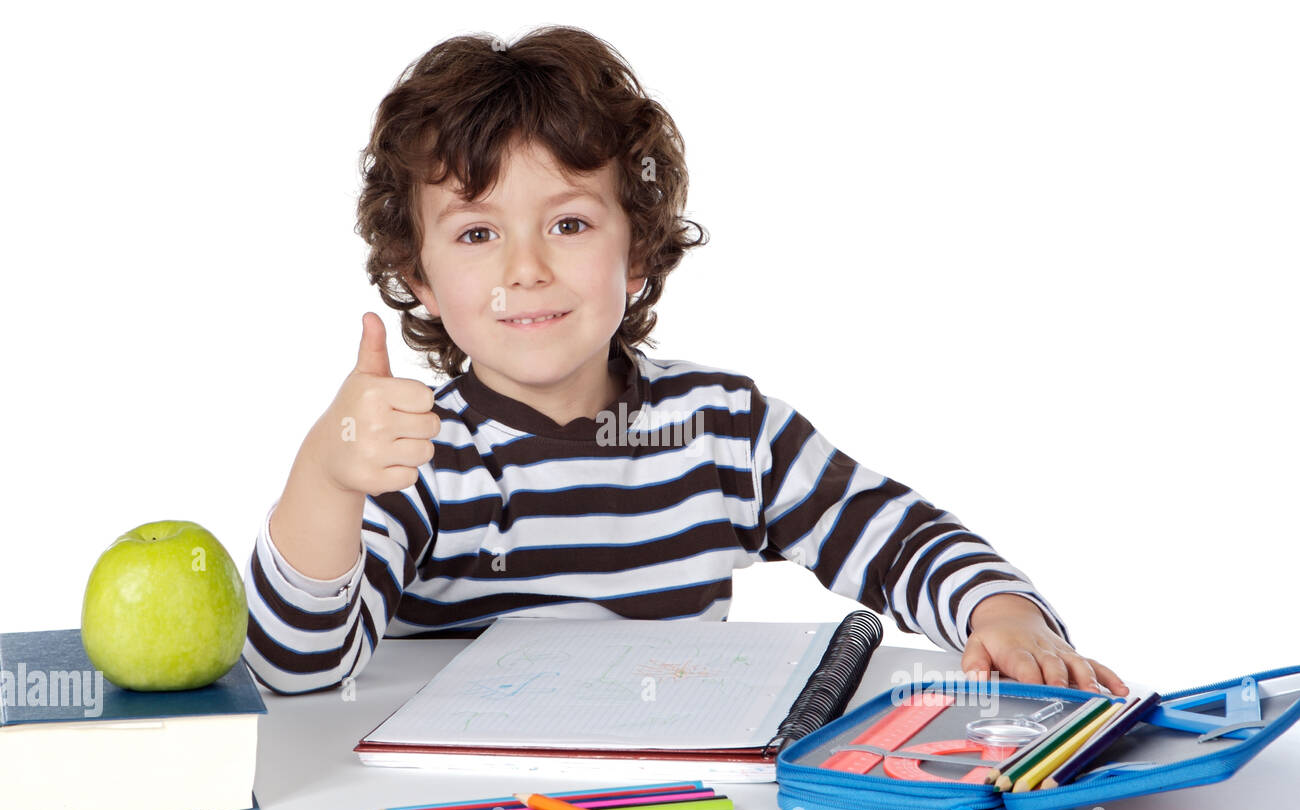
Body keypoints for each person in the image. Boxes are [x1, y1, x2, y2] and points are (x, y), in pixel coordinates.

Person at [242, 25, 1127, 698]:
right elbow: (297, 672)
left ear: (637, 254)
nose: (526, 268)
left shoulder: (722, 428)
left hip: (675, 800)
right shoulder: (413, 454)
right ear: (420, 279)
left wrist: (1001, 614)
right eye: (477, 233)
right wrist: (326, 475)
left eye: (570, 223)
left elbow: (897, 538)